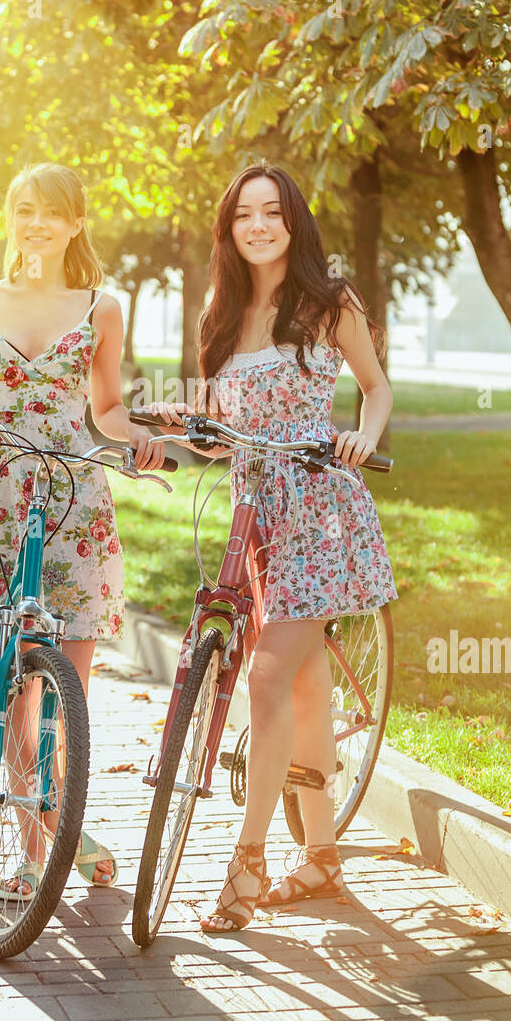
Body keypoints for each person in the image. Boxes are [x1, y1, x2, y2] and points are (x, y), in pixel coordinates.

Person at [148, 161, 397, 932]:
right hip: (253, 511)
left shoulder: (329, 302)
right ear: (229, 228)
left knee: (265, 680)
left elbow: (376, 386)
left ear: (294, 223)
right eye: (244, 215)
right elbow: (225, 439)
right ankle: (321, 858)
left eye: (273, 213)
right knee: (304, 687)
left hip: (320, 506)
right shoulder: (219, 313)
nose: (258, 226)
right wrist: (186, 426)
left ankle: (247, 862)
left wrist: (363, 432)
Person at [0, 161, 165, 896]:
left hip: (73, 499)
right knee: (17, 684)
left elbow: (108, 409)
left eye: (50, 212)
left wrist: (138, 439)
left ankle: (53, 831)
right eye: (22, 209)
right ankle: (40, 846)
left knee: (65, 692)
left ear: (75, 223)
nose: (34, 223)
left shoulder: (101, 306)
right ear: (10, 217)